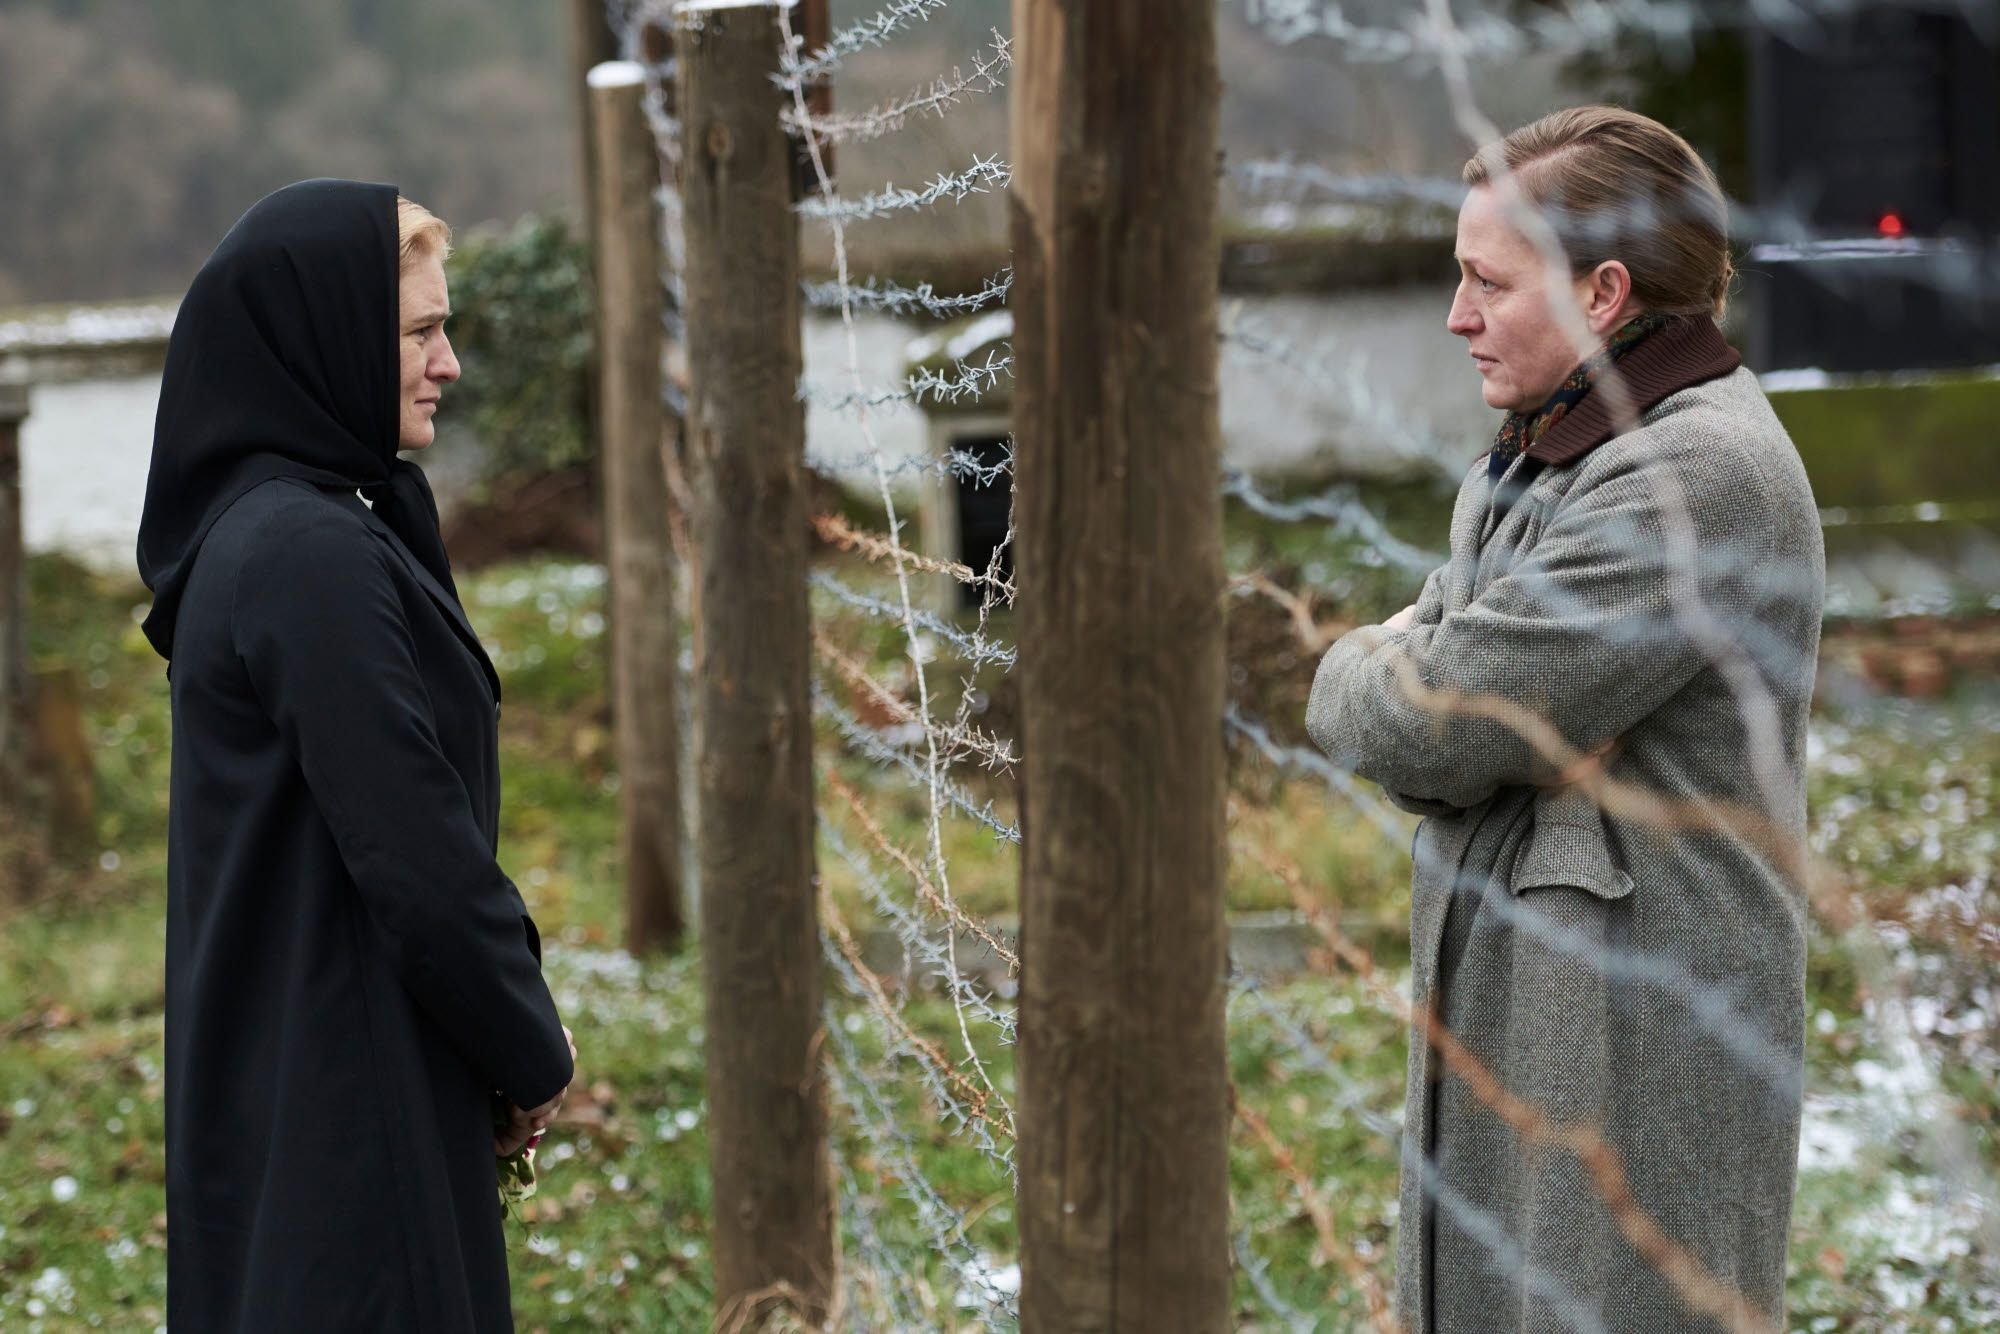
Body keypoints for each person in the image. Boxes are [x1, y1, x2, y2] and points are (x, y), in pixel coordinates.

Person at [1306, 108, 1825, 1331]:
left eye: (1487, 281)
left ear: (1602, 293)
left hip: (1631, 1037)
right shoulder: (1543, 456)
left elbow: (1435, 726)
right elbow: (1455, 716)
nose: (1456, 315)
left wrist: (1358, 668)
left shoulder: (1693, 476)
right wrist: (1435, 701)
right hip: (1543, 999)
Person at [138, 179, 575, 1330]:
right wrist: (529, 1045)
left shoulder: (285, 527)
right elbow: (414, 846)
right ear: (324, 335)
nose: (450, 364)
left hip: (304, 1069)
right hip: (349, 1104)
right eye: (421, 332)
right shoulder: (304, 552)